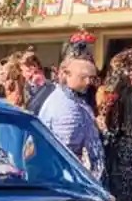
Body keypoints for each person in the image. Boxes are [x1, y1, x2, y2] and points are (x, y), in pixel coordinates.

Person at [38, 47, 104, 179]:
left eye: (91, 78)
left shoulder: (73, 98)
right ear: (65, 74)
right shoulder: (64, 106)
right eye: (83, 77)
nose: (88, 82)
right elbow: (67, 151)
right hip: (70, 180)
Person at [98, 48, 132, 201]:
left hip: (126, 146)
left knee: (126, 194)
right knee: (131, 194)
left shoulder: (128, 93)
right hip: (131, 146)